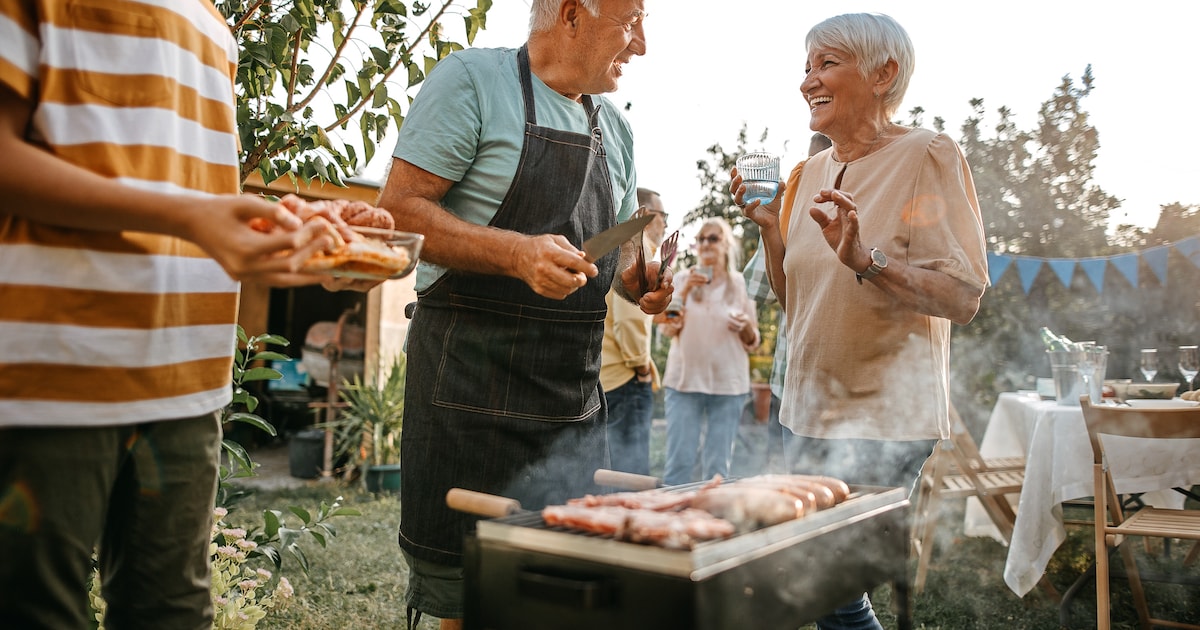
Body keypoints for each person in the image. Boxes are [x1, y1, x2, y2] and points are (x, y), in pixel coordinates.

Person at [0, 3, 346, 628]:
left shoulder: (210, 16)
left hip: (189, 378)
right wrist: (189, 218)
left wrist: (269, 239)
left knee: (174, 613)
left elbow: (189, 191)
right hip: (55, 369)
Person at [375, 1, 668, 627]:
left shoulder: (614, 129)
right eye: (633, 20)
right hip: (468, 399)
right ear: (570, 15)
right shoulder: (472, 81)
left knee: (559, 599)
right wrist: (514, 253)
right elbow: (399, 212)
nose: (641, 45)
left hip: (570, 408)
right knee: (468, 600)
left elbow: (609, 274)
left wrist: (640, 283)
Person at [732, 13, 988, 630]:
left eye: (827, 64)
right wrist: (770, 231)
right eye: (806, 67)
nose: (807, 82)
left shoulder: (927, 153)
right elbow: (802, 303)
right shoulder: (805, 174)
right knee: (826, 584)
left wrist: (866, 261)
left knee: (827, 582)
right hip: (806, 408)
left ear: (884, 73)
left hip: (885, 414)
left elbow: (962, 296)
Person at [743, 133, 831, 466]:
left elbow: (754, 289)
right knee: (793, 491)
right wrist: (770, 228)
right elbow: (757, 288)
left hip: (834, 392)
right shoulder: (790, 213)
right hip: (790, 382)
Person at [656, 217, 759, 486]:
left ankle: (709, 523)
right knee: (679, 463)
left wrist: (746, 325)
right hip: (684, 382)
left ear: (726, 245)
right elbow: (667, 327)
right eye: (701, 239)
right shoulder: (681, 278)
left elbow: (753, 340)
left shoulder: (740, 283)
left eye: (712, 238)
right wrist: (687, 289)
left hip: (728, 385)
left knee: (717, 469)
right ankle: (669, 524)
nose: (705, 244)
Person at [601, 188, 668, 476]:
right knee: (630, 473)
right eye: (662, 215)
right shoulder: (639, 251)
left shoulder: (609, 248)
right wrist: (641, 366)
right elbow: (629, 319)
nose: (665, 224)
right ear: (644, 216)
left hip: (605, 375)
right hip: (626, 379)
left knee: (611, 467)